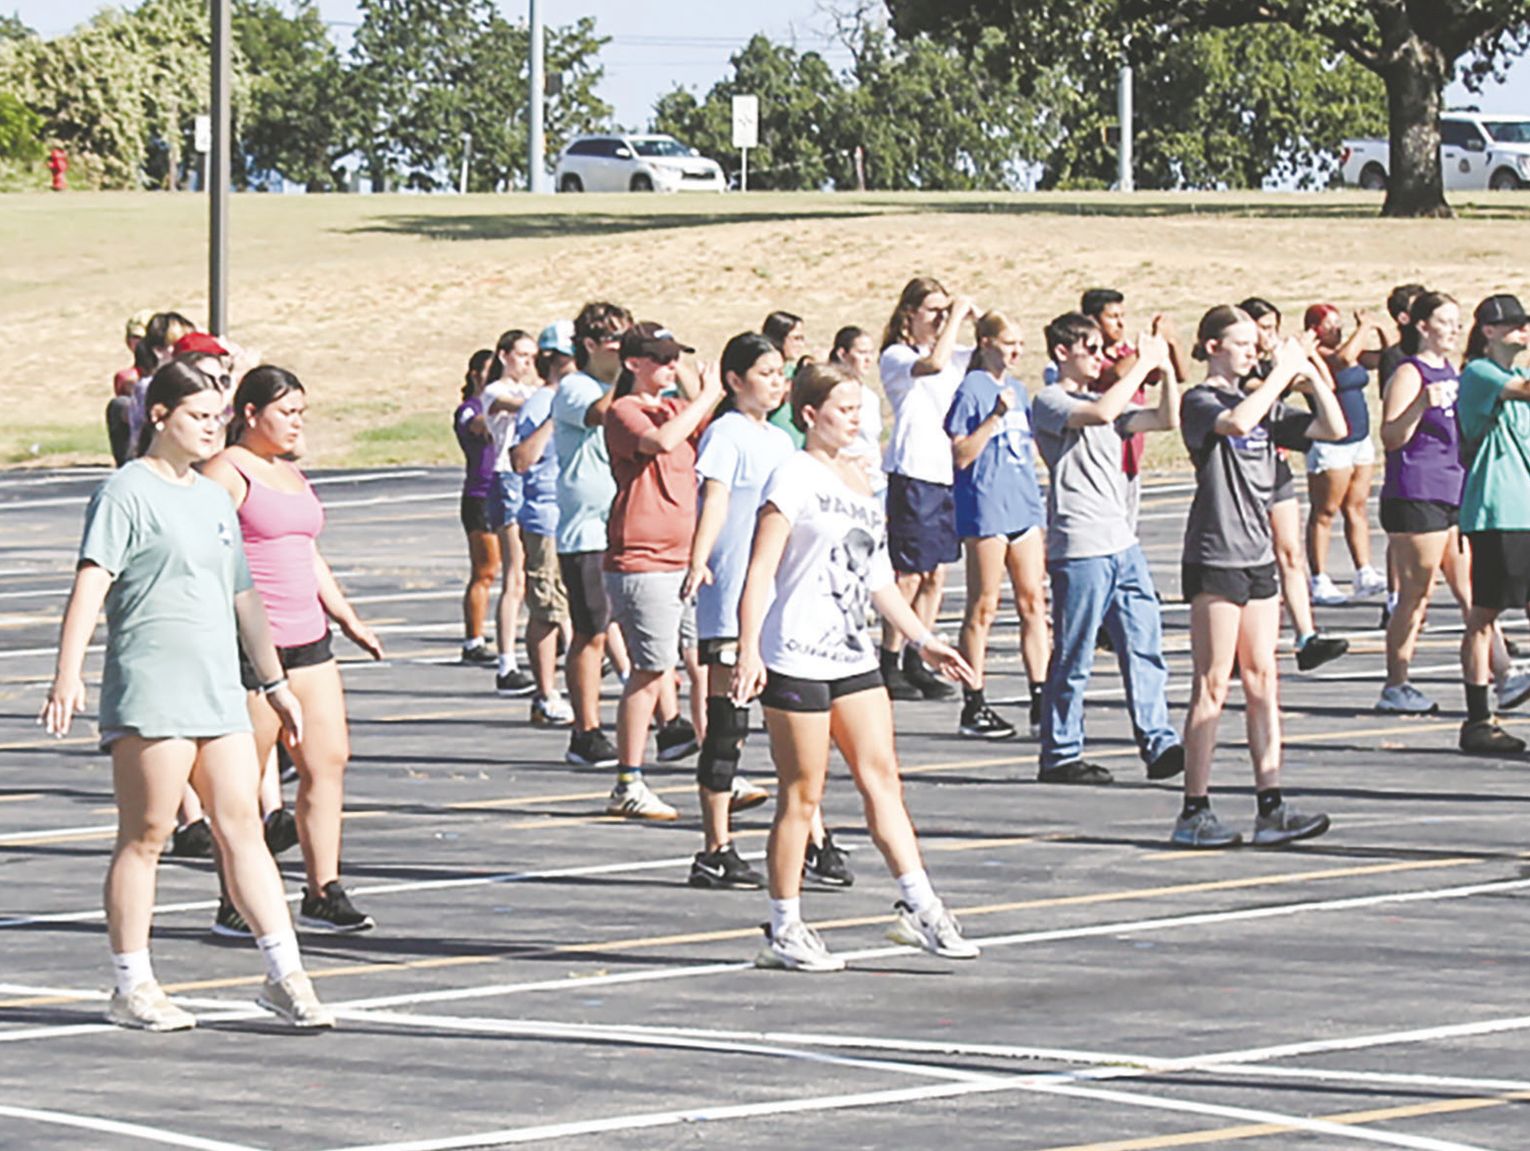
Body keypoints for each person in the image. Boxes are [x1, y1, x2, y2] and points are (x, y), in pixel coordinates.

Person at [41, 359, 334, 1030]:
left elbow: (244, 596)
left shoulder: (211, 496)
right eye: (199, 417)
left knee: (243, 827)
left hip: (217, 688)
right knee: (146, 834)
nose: (212, 428)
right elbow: (92, 583)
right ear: (159, 416)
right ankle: (132, 983)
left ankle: (286, 974)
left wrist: (275, 682)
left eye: (218, 417)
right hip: (152, 685)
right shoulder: (125, 492)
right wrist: (68, 671)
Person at [733, 363, 980, 972]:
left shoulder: (861, 483)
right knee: (803, 794)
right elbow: (760, 569)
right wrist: (746, 649)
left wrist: (923, 639)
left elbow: (876, 578)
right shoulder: (792, 475)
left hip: (851, 654)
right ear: (810, 413)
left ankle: (920, 907)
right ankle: (785, 926)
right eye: (843, 409)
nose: (855, 420)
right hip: (795, 655)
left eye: (860, 410)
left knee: (883, 781)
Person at [203, 365, 383, 933]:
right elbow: (203, 552)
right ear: (250, 414)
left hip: (310, 644)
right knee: (242, 778)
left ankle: (322, 888)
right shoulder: (227, 471)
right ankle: (235, 898)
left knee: (326, 762)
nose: (296, 423)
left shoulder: (289, 474)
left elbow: (306, 552)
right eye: (286, 412)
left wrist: (347, 616)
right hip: (254, 647)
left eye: (301, 412)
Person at [1174, 306, 1346, 848]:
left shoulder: (1262, 401)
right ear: (1211, 347)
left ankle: (1270, 804)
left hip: (1256, 555)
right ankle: (1194, 810)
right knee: (1212, 683)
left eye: (1256, 343)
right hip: (1216, 553)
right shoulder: (1201, 402)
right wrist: (1276, 378)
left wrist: (1310, 373)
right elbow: (1238, 423)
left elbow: (1335, 428)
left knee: (1262, 679)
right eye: (1241, 343)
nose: (1252, 350)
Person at [683, 333, 817, 888]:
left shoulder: (785, 442)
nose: (777, 381)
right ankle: (716, 848)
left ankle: (814, 838)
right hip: (730, 601)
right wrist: (697, 559)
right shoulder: (726, 433)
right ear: (735, 381)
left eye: (781, 372)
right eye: (765, 372)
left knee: (796, 724)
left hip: (776, 603)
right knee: (728, 726)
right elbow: (714, 498)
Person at [1031, 314, 1185, 786]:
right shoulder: (1051, 401)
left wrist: (1166, 368)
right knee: (1074, 654)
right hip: (1081, 546)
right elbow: (1100, 415)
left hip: (1122, 542)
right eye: (1090, 349)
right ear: (1063, 353)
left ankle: (1158, 740)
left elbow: (1164, 419)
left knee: (1144, 644)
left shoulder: (1103, 400)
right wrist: (1141, 365)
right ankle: (1061, 752)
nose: (1099, 358)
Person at [601, 323, 721, 820]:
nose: (672, 367)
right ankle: (628, 781)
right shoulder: (624, 412)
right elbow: (663, 442)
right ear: (634, 364)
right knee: (651, 673)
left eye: (676, 358)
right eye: (662, 359)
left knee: (704, 665)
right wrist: (705, 395)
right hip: (643, 559)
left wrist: (702, 389)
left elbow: (707, 428)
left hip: (684, 558)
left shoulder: (675, 406)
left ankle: (719, 767)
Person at [944, 310, 1049, 740]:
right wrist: (993, 417)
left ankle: (1041, 697)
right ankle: (974, 700)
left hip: (1022, 505)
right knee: (984, 605)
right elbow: (961, 453)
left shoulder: (1019, 390)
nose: (1016, 351)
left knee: (1034, 604)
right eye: (1008, 342)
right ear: (986, 343)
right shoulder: (972, 389)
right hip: (986, 509)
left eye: (1020, 343)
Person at [878, 278, 976, 702]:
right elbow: (933, 365)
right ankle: (890, 656)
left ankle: (920, 652)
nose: (939, 318)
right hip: (913, 468)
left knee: (937, 573)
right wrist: (954, 317)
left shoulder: (954, 354)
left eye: (943, 310)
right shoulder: (898, 357)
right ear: (909, 314)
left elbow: (992, 350)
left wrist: (974, 314)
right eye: (931, 310)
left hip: (945, 470)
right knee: (910, 572)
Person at [1238, 298, 1348, 672]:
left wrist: (1306, 358)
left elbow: (1324, 388)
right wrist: (1285, 365)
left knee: (1290, 552)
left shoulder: (1276, 365)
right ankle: (1241, 640)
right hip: (1239, 471)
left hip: (1275, 465)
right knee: (1246, 559)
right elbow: (1261, 389)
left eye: (1272, 327)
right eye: (1261, 327)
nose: (1268, 335)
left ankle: (1306, 636)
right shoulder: (1239, 370)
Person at [552, 302, 634, 768]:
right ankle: (585, 730)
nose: (623, 351)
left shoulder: (617, 386)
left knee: (624, 628)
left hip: (622, 521)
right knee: (592, 633)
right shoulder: (575, 387)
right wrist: (630, 374)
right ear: (588, 345)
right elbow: (602, 414)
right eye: (614, 342)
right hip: (585, 530)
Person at [1456, 294, 1530, 754]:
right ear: (1488, 331)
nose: (1523, 330)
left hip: (1524, 507)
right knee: (1485, 614)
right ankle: (1478, 718)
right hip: (1498, 510)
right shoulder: (1480, 374)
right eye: (1514, 325)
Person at [509, 323, 577, 727]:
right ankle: (545, 692)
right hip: (545, 517)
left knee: (578, 606)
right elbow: (520, 459)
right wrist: (554, 418)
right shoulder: (540, 404)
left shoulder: (585, 399)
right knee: (547, 608)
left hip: (577, 516)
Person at [1304, 304, 1387, 606]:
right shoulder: (1317, 356)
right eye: (1330, 325)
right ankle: (1319, 578)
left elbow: (1380, 359)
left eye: (1339, 324)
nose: (1336, 330)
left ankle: (1364, 570)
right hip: (1331, 444)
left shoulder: (1351, 349)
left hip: (1359, 440)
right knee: (1324, 511)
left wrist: (1380, 331)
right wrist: (1363, 327)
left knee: (1357, 507)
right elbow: (1342, 359)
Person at [479, 329, 539, 693]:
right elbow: (507, 406)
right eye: (521, 356)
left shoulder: (534, 392)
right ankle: (506, 662)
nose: (527, 364)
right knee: (515, 576)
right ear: (504, 355)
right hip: (508, 478)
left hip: (533, 479)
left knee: (540, 573)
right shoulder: (495, 392)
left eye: (532, 357)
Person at [454, 349, 501, 666]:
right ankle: (473, 639)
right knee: (485, 570)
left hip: (504, 492)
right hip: (480, 496)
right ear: (475, 375)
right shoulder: (468, 410)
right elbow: (478, 425)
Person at [828, 325, 887, 501]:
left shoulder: (871, 398)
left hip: (876, 484)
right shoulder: (829, 395)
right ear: (843, 354)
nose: (868, 359)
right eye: (861, 353)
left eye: (870, 353)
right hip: (843, 484)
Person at [107, 310, 155, 467]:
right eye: (135, 338)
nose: (139, 344)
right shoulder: (126, 376)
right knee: (119, 404)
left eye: (144, 339)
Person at [763, 310, 809, 447]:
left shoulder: (793, 370)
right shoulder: (762, 371)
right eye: (796, 338)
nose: (801, 344)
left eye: (802, 338)